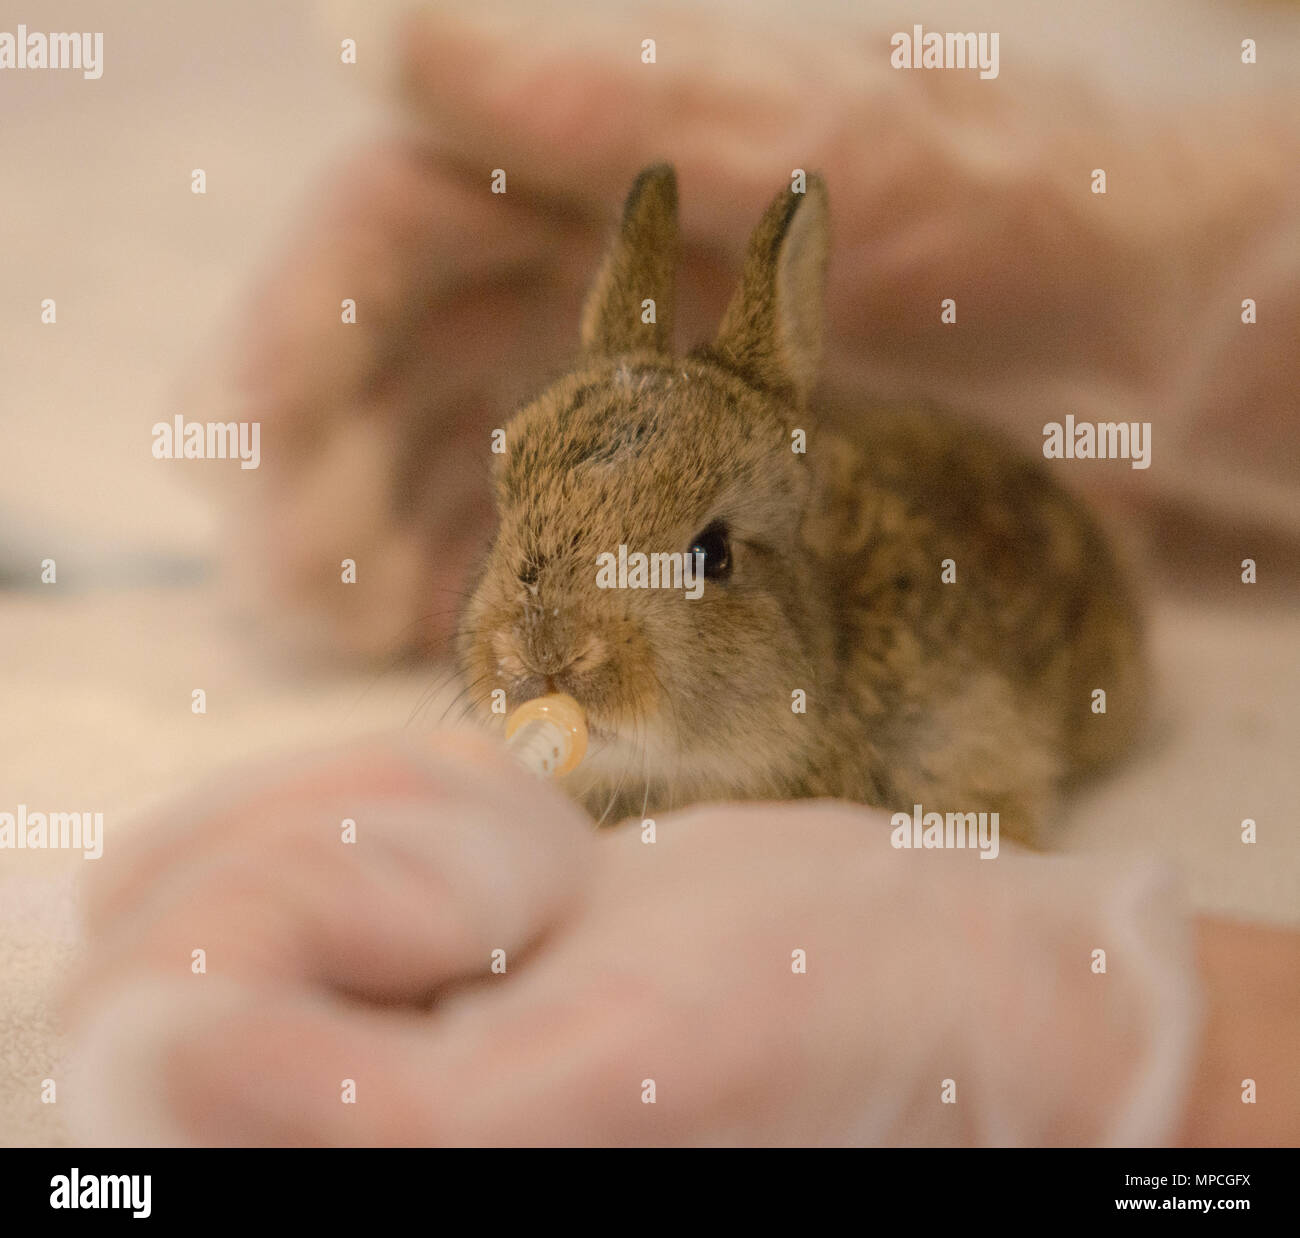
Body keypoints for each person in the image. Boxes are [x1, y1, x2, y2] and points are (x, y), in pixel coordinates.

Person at [70, 1, 1300, 1144]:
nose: (550, 646)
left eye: (699, 557)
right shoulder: (559, 712)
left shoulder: (902, 721)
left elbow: (997, 799)